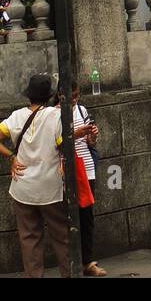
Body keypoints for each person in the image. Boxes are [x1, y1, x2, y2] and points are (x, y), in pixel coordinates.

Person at [0, 74, 74, 279]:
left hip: (22, 187)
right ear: (50, 96)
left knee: (29, 238)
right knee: (62, 236)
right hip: (50, 188)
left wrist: (12, 156)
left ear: (29, 96)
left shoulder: (16, 117)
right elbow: (62, 143)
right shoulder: (56, 115)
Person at [59, 82, 106, 276]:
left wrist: (92, 136)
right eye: (71, 96)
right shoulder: (54, 114)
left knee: (87, 215)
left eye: (77, 96)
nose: (74, 100)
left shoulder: (82, 110)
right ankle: (72, 261)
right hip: (65, 168)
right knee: (68, 216)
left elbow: (92, 142)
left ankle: (88, 261)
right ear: (61, 96)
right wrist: (73, 134)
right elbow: (55, 142)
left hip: (86, 167)